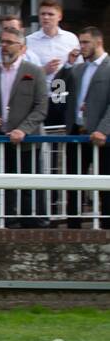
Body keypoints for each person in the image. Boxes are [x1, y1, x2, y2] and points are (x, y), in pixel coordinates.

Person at [0, 29, 48, 227]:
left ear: (22, 47)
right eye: (2, 41)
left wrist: (23, 129)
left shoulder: (34, 72)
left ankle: (30, 225)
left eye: (9, 42)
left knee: (28, 185)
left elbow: (41, 107)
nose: (4, 46)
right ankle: (2, 223)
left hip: (25, 142)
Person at [62, 27, 110, 228]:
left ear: (98, 42)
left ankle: (107, 226)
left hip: (102, 136)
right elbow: (58, 88)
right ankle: (73, 225)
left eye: (85, 42)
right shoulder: (78, 69)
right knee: (74, 181)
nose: (81, 47)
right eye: (80, 42)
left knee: (105, 183)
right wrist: (67, 65)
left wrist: (104, 129)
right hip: (77, 132)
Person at [27, 0, 80, 129]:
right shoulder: (29, 41)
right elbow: (22, 72)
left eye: (50, 14)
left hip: (61, 94)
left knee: (58, 135)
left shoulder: (71, 38)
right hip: (38, 95)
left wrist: (70, 63)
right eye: (43, 14)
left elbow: (79, 68)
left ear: (59, 17)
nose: (46, 17)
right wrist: (43, 71)